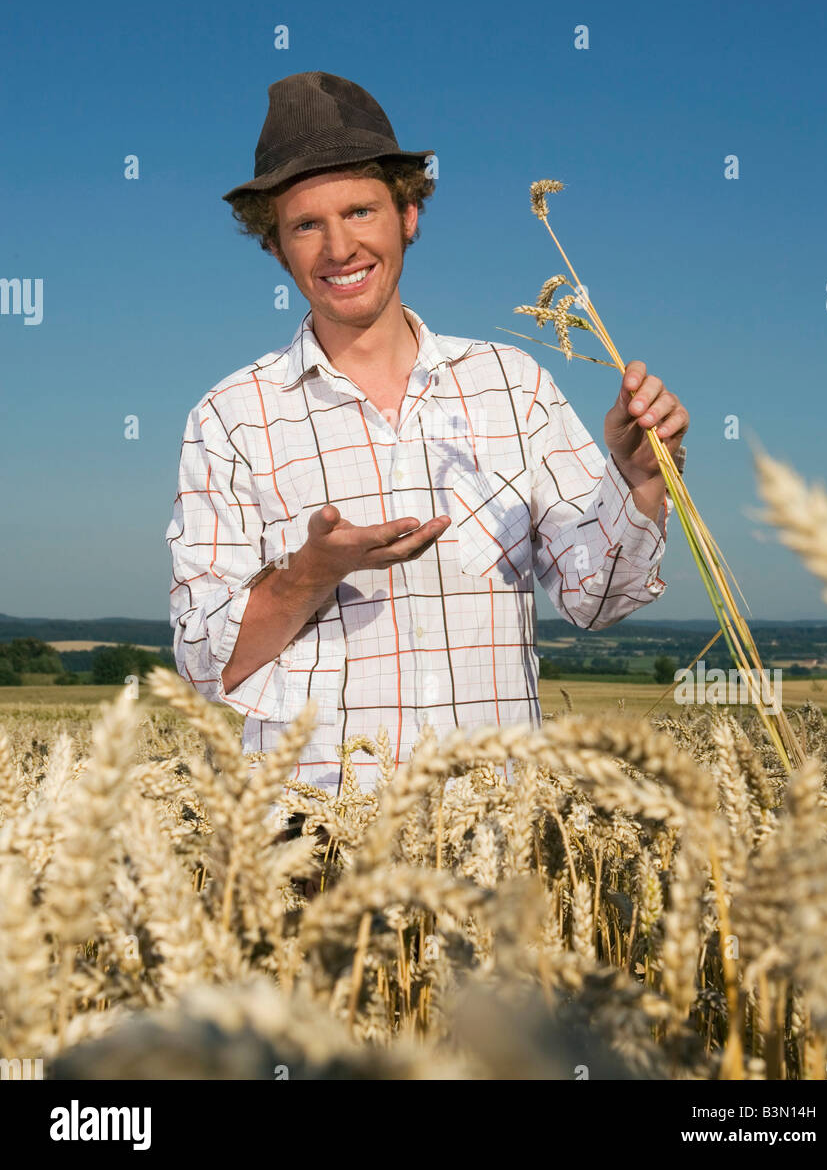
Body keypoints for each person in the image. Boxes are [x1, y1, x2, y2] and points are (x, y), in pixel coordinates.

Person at [165, 71, 689, 807]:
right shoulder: (230, 417)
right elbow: (203, 662)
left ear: (409, 212)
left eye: (360, 211)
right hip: (312, 844)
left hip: (496, 828)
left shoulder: (514, 385)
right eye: (306, 225)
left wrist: (639, 482)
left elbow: (595, 599)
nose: (339, 247)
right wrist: (309, 572)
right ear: (277, 249)